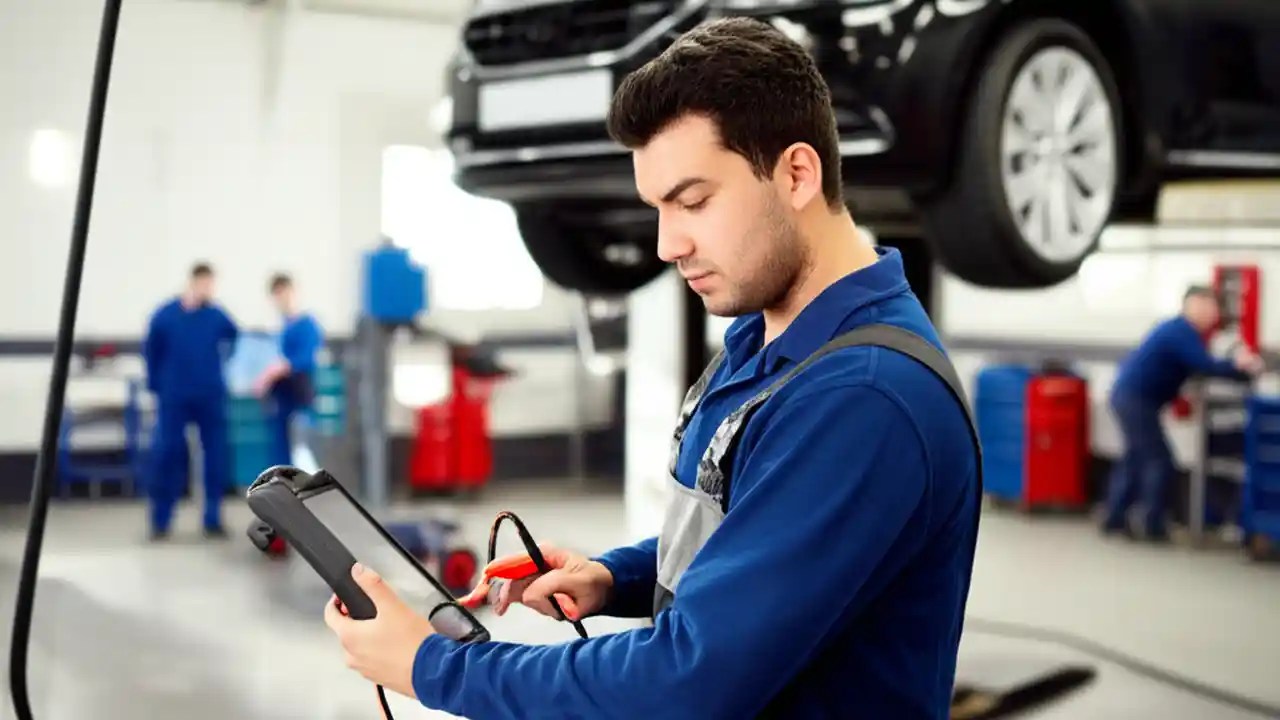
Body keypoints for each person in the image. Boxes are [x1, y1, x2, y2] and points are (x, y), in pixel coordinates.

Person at [323, 18, 980, 718]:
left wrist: (434, 667)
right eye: (657, 208)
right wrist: (616, 578)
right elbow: (747, 529)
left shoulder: (864, 399)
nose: (668, 243)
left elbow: (683, 682)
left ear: (797, 173)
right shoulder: (763, 341)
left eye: (694, 201)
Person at [1103, 285, 1264, 541]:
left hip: (1128, 397)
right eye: (1210, 307)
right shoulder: (1182, 331)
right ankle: (1151, 524)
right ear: (1195, 305)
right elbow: (1203, 365)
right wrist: (1242, 368)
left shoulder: (1178, 330)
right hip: (1137, 400)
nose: (1214, 314)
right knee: (1159, 460)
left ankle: (1114, 518)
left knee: (1135, 458)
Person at [142, 262, 238, 539]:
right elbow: (151, 352)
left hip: (210, 396)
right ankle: (160, 520)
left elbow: (236, 340)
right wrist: (157, 386)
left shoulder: (217, 316)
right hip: (174, 397)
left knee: (215, 457)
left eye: (212, 285)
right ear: (194, 282)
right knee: (168, 454)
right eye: (206, 284)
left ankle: (212, 518)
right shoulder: (165, 316)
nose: (209, 290)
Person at [253, 273, 324, 468]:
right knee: (279, 452)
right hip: (280, 398)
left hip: (300, 396)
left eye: (285, 293)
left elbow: (303, 360)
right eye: (277, 295)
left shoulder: (307, 325)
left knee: (302, 451)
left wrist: (271, 373)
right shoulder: (281, 328)